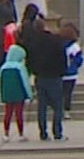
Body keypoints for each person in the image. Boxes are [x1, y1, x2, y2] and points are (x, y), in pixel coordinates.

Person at [20, 11, 68, 141]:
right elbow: (62, 57)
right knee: (57, 106)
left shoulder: (32, 43)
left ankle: (43, 133)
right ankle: (57, 132)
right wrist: (63, 71)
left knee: (42, 106)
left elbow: (29, 60)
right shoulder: (55, 40)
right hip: (55, 76)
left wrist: (31, 71)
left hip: (40, 76)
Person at [0, 42, 30, 141]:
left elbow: (1, 82)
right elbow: (25, 81)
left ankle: (6, 133)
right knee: (19, 113)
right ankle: (21, 134)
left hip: (7, 93)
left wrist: (2, 94)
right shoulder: (20, 67)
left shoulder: (3, 67)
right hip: (19, 93)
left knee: (8, 113)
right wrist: (29, 95)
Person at [60, 23, 84, 115]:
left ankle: (58, 109)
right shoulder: (75, 46)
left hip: (60, 72)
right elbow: (79, 60)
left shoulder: (58, 44)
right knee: (68, 93)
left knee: (60, 92)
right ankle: (66, 110)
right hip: (71, 73)